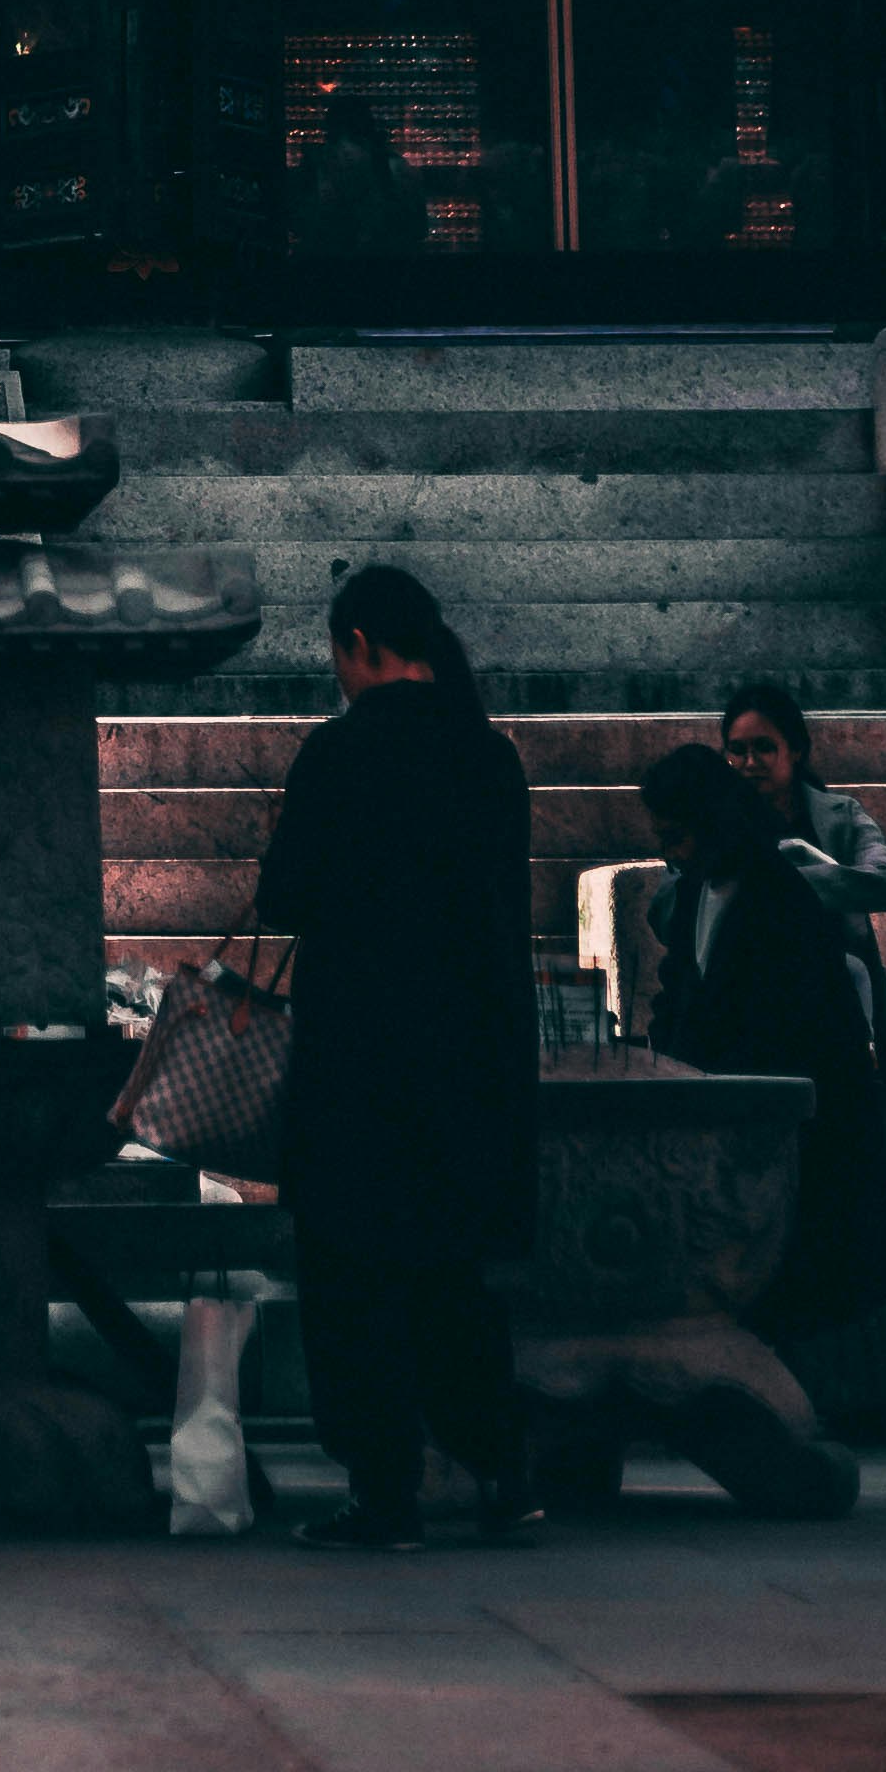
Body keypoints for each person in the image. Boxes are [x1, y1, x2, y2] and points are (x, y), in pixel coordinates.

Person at [252, 564, 544, 1552]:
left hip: (360, 1064)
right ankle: (501, 1471)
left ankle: (386, 1494)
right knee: (451, 1276)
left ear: (361, 643)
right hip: (472, 1059)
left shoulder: (339, 755)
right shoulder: (489, 756)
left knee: (354, 1277)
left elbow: (284, 894)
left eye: (339, 656)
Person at [640, 745, 886, 1383]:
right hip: (751, 1108)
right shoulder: (700, 891)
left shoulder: (775, 892)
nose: (669, 853)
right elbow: (681, 988)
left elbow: (781, 1018)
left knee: (818, 1268)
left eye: (676, 836)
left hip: (800, 1115)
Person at [720, 680, 886, 1180]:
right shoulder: (719, 822)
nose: (749, 762)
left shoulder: (840, 816)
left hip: (838, 1014)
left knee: (843, 1160)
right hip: (752, 1015)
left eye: (763, 748)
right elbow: (672, 901)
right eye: (737, 750)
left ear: (794, 749)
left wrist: (789, 882)